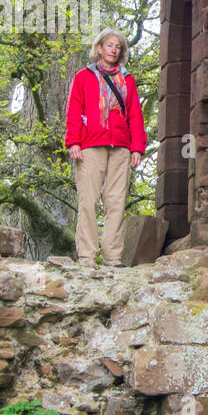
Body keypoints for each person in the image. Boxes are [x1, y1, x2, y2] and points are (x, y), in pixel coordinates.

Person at [63, 29, 147, 267]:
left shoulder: (128, 79)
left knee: (116, 202)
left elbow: (135, 115)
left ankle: (112, 256)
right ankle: (87, 257)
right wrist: (74, 142)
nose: (114, 50)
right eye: (110, 45)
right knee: (88, 201)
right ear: (99, 48)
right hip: (90, 145)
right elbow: (74, 111)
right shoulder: (83, 77)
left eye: (118, 47)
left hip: (120, 146)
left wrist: (137, 147)